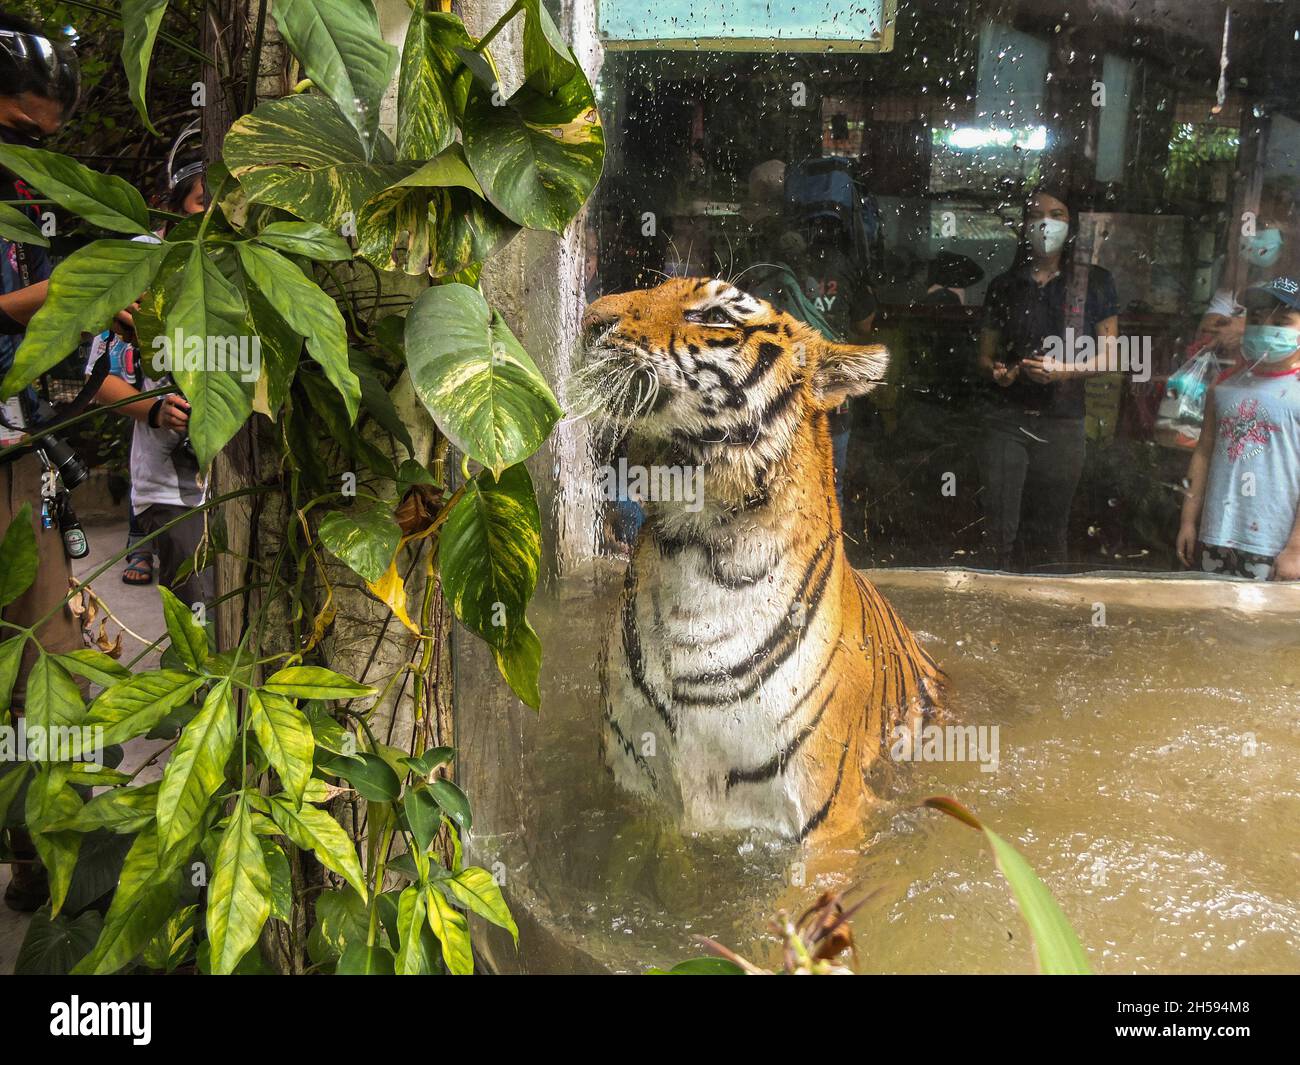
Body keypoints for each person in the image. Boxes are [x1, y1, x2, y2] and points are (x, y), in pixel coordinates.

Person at [0, 12, 82, 912]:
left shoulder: (23, 206)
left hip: (22, 458)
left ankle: (48, 864)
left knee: (47, 662)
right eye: (20, 132)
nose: (32, 154)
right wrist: (69, 290)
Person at [87, 138, 210, 607]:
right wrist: (157, 411)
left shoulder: (239, 263)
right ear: (175, 208)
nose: (213, 217)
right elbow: (100, 380)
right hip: (174, 492)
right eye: (203, 202)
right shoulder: (146, 263)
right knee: (196, 617)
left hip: (239, 485)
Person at [975, 186, 1119, 571]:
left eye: (1057, 214)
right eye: (1036, 214)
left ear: (1070, 226)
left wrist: (1063, 372)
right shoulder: (1004, 286)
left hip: (1064, 419)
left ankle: (1047, 614)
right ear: (1023, 227)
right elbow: (985, 357)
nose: (1045, 223)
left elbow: (1110, 356)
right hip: (1008, 419)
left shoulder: (1096, 283)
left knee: (1051, 527)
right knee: (999, 526)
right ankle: (991, 609)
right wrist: (1000, 373)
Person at [1176, 276, 1300, 581]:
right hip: (1216, 535)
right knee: (1211, 621)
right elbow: (1204, 452)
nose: (1265, 328)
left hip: (1274, 544)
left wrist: (1296, 548)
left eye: (1282, 322)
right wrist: (1188, 522)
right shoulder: (1225, 385)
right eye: (1256, 319)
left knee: (1262, 626)